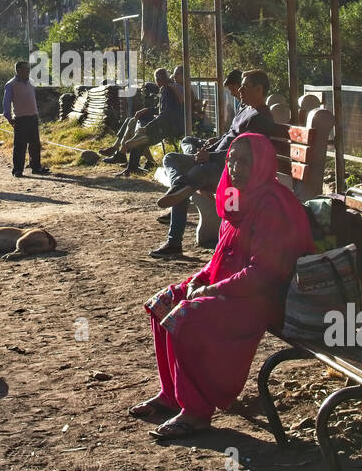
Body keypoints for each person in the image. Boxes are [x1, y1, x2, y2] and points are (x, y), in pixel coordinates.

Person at [133, 133, 313, 438]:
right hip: (232, 287)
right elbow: (222, 254)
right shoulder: (237, 197)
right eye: (231, 160)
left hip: (262, 299)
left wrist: (212, 290)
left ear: (262, 164)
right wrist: (202, 279)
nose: (234, 168)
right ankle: (172, 394)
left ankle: (196, 413)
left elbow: (265, 273)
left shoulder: (271, 204)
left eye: (244, 161)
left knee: (183, 318)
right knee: (164, 302)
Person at [150, 69, 277, 258]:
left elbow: (244, 155)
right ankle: (180, 187)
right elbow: (228, 137)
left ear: (259, 90)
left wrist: (210, 157)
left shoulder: (261, 119)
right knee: (171, 159)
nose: (240, 90)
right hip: (216, 161)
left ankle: (174, 241)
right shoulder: (246, 109)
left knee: (196, 174)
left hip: (232, 174)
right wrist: (208, 151)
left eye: (245, 86)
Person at [98, 68, 183, 177]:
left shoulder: (168, 90)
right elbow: (164, 110)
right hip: (170, 123)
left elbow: (165, 114)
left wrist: (147, 127)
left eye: (158, 78)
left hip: (170, 126)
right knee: (137, 129)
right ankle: (128, 163)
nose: (157, 81)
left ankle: (129, 164)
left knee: (139, 136)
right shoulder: (168, 89)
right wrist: (146, 111)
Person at [2, 61, 50, 177]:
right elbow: (6, 104)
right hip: (20, 118)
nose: (28, 72)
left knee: (35, 144)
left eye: (28, 70)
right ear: (18, 70)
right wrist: (9, 118)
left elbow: (34, 98)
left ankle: (36, 167)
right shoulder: (11, 84)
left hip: (33, 117)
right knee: (20, 145)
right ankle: (18, 170)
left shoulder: (31, 82)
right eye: (26, 70)